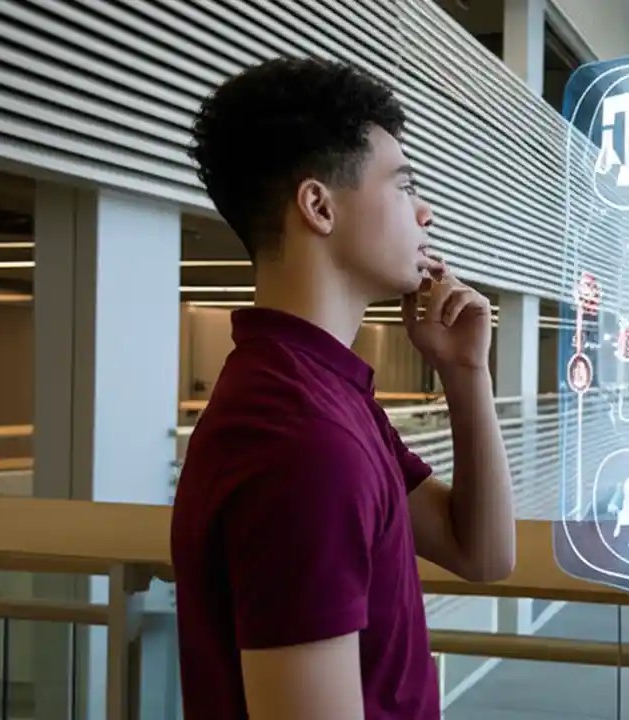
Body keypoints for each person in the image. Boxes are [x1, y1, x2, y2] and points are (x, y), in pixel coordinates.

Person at [170, 57, 516, 720]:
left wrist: (464, 373)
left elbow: (482, 551)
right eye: (402, 187)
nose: (426, 212)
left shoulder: (321, 391)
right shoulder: (299, 437)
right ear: (319, 207)